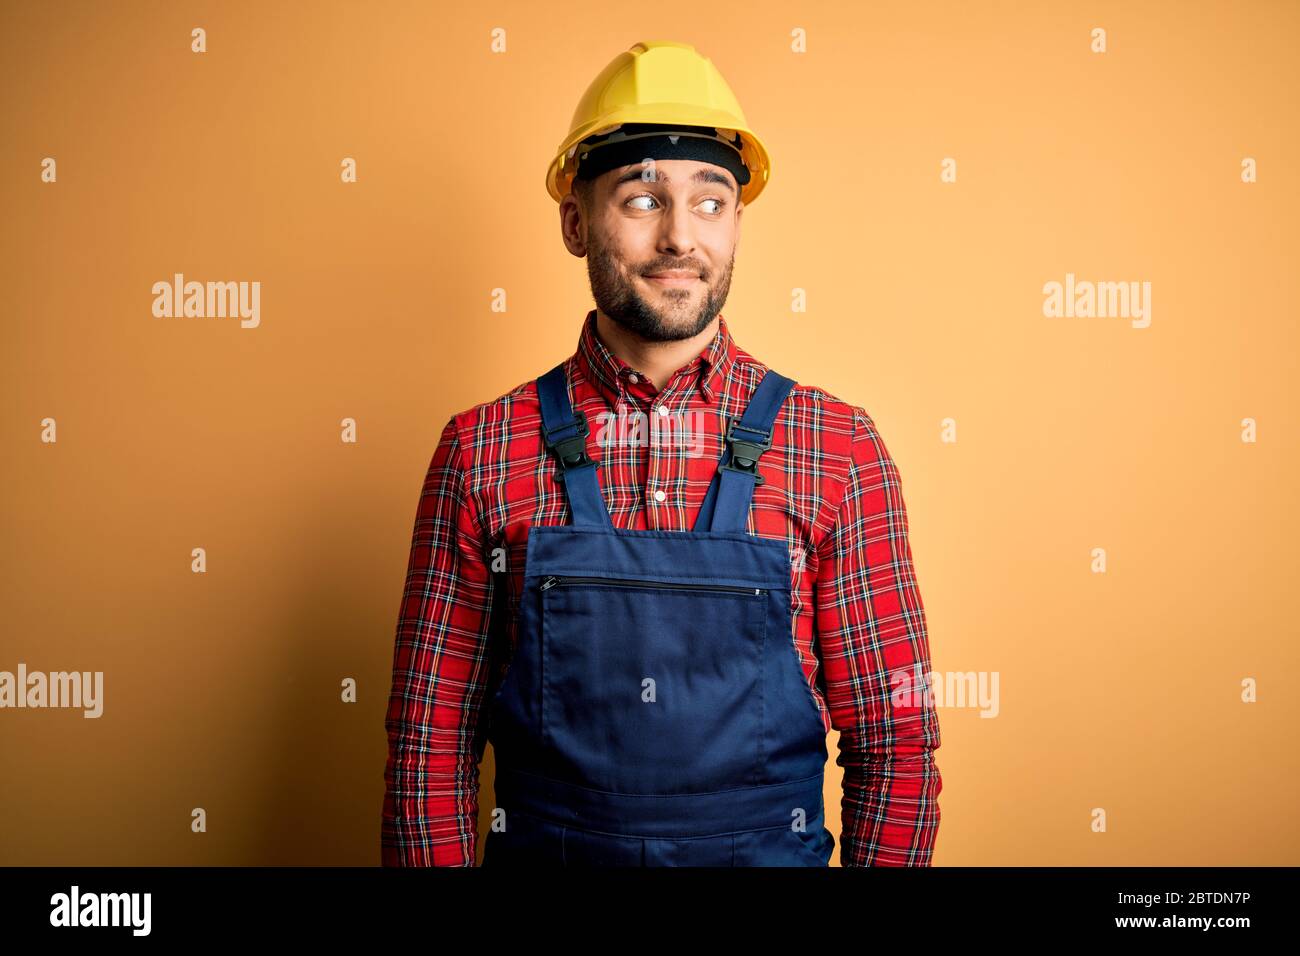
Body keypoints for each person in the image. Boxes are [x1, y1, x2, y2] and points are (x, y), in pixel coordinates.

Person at [382, 40, 941, 867]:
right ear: (576, 222)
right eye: (642, 197)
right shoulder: (481, 450)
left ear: (738, 222)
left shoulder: (839, 450)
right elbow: (427, 750)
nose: (681, 236)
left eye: (711, 202)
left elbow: (896, 742)